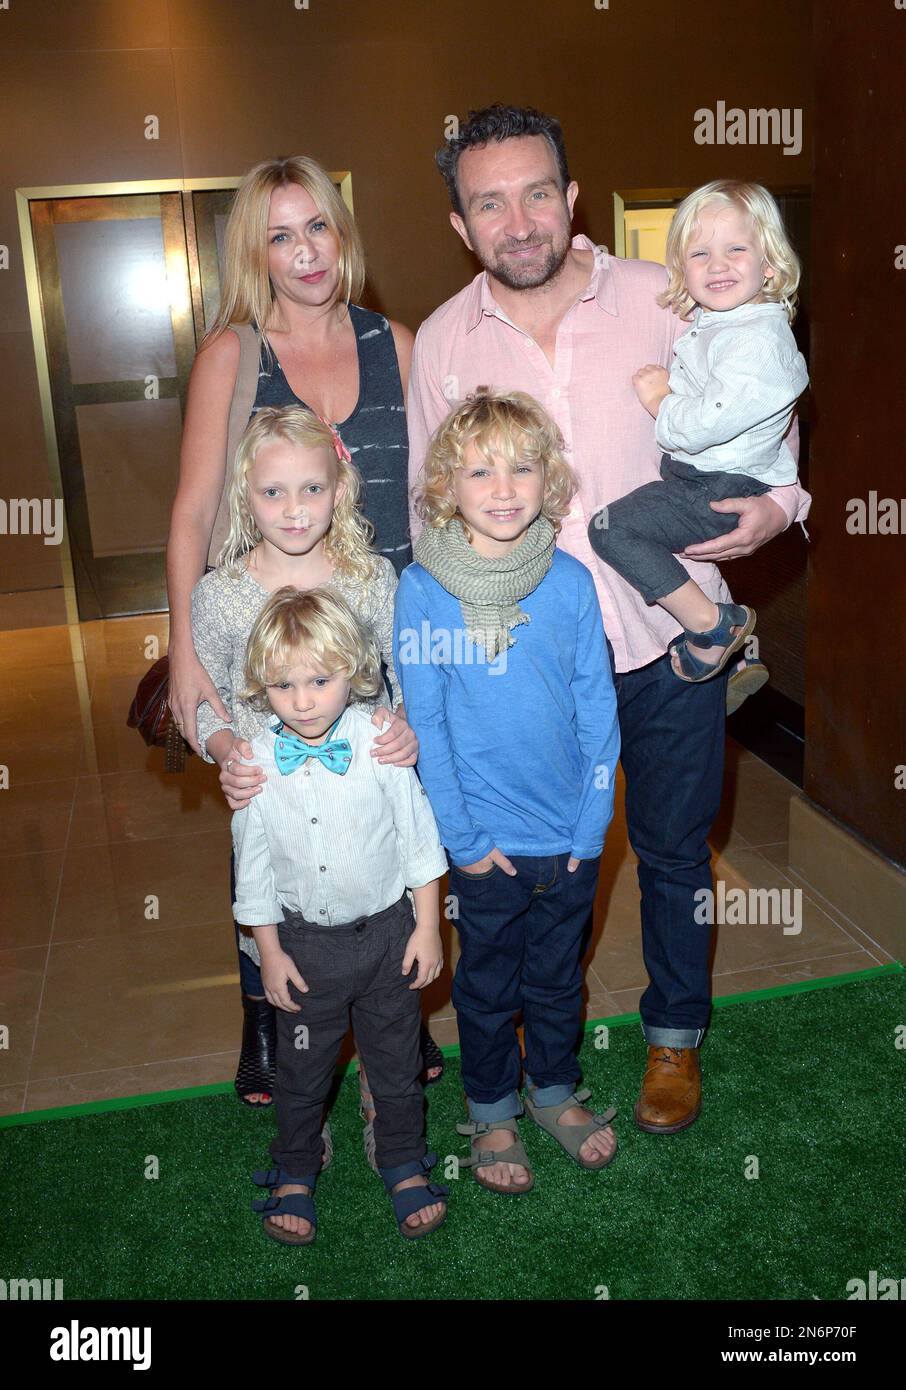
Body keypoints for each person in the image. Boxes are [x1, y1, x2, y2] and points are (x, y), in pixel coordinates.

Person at [406, 104, 812, 1144]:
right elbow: (431, 507)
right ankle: (547, 1047)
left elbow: (762, 412)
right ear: (461, 224)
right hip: (531, 676)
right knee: (555, 865)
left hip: (675, 642)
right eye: (490, 202)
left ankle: (675, 1034)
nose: (520, 219)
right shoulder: (446, 341)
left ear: (571, 197)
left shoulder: (668, 295)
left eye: (538, 191)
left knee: (677, 853)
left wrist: (785, 506)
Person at [166, 153, 442, 1104]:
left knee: (386, 817)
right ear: (258, 251)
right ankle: (269, 1011)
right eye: (279, 235)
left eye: (316, 226)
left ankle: (391, 1002)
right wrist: (181, 652)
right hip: (263, 645)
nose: (304, 251)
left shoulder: (397, 344)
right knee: (275, 822)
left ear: (342, 230)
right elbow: (196, 511)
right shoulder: (233, 355)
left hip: (378, 629)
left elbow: (425, 499)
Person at [395, 389, 621, 1194]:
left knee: (560, 976)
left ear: (549, 479)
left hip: (571, 839)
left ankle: (555, 1089)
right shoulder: (422, 591)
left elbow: (598, 711)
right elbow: (429, 727)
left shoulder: (567, 582)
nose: (502, 487)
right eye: (479, 470)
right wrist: (466, 844)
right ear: (445, 487)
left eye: (523, 467)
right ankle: (491, 1110)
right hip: (484, 844)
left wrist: (592, 826)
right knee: (488, 987)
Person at [233, 587, 449, 1242]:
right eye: (282, 684)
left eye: (319, 681)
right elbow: (255, 871)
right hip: (304, 949)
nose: (302, 700)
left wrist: (429, 926)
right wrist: (268, 952)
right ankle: (297, 1166)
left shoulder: (381, 743)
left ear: (352, 671)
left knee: (396, 1060)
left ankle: (403, 1157)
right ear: (260, 686)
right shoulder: (256, 765)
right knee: (301, 1068)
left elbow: (419, 844)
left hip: (389, 939)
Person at [588, 181, 809, 683]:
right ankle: (735, 656)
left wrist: (661, 400)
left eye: (736, 249)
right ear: (682, 268)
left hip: (718, 485)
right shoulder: (727, 322)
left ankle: (711, 625)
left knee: (609, 529)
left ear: (770, 263)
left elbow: (708, 421)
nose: (717, 265)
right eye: (700, 253)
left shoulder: (757, 340)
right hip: (705, 480)